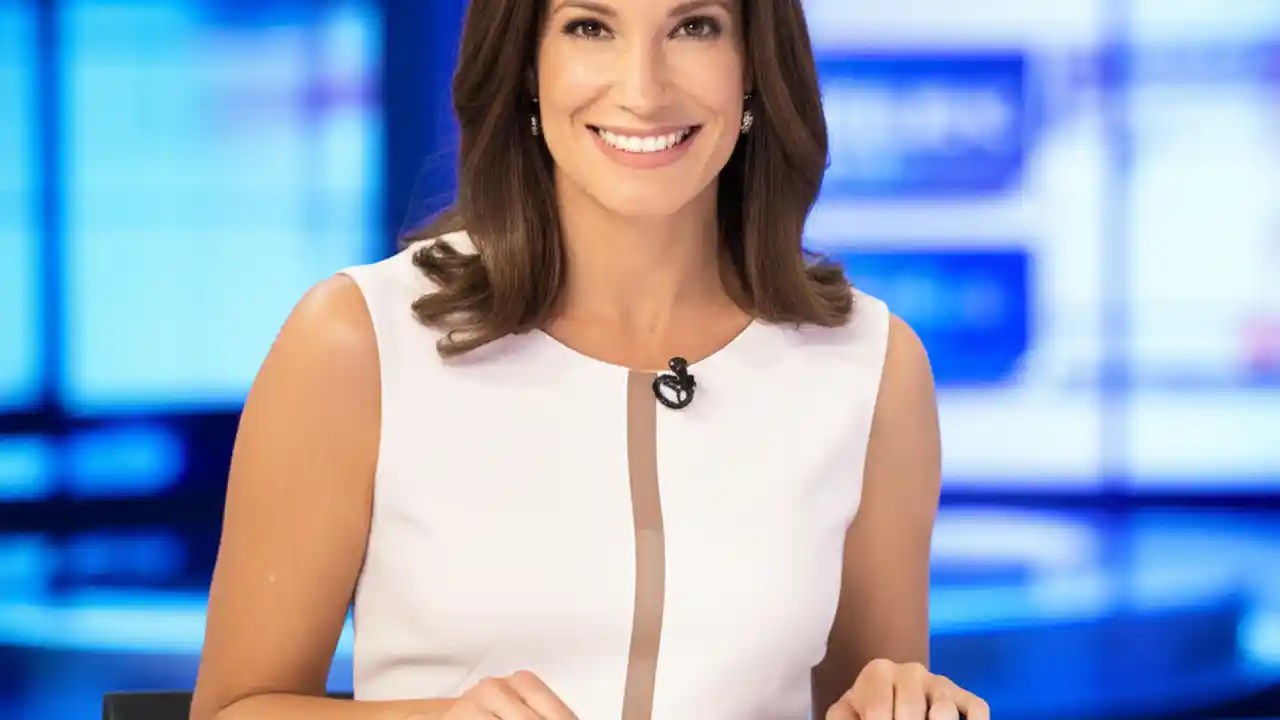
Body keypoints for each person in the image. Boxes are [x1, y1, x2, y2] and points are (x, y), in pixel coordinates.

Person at [190, 0, 990, 718]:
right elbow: (235, 709)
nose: (643, 89)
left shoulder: (872, 365)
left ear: (754, 66)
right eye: (589, 27)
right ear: (528, 68)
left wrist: (904, 700)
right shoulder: (357, 339)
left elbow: (862, 696)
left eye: (694, 27)